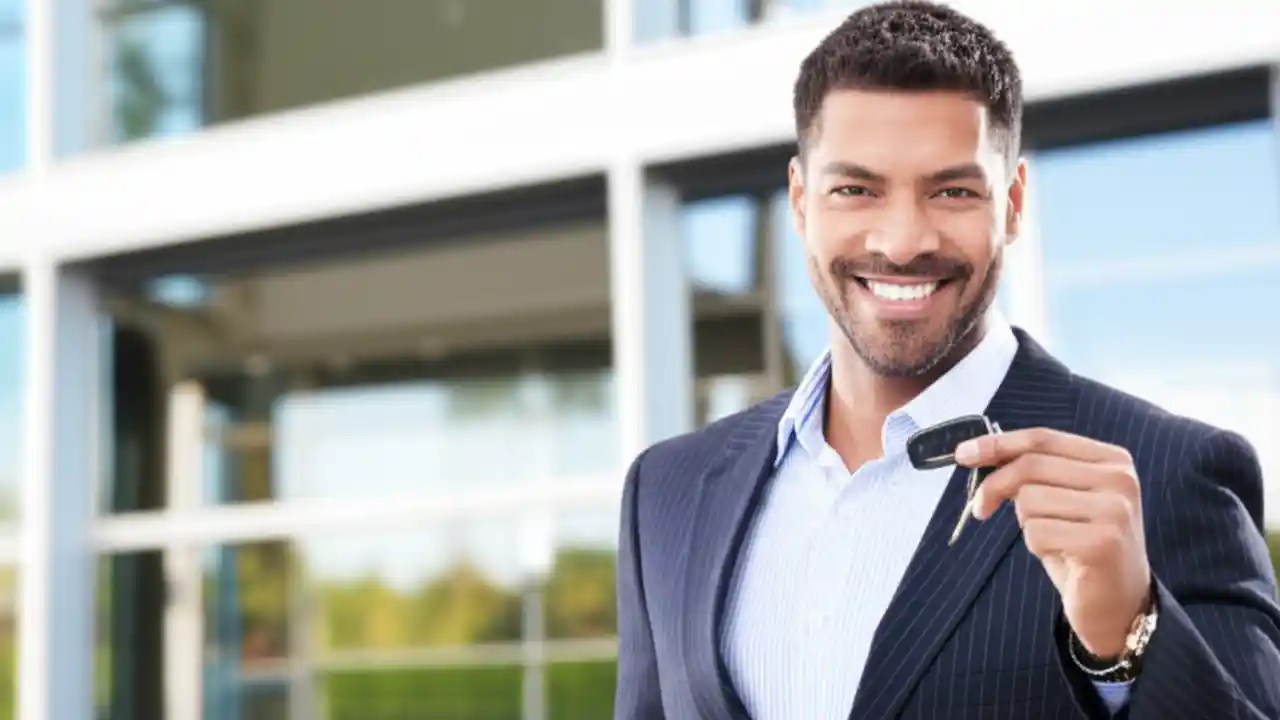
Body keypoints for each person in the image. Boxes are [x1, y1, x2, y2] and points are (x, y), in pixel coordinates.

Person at [612, 2, 1280, 718]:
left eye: (953, 191)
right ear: (802, 200)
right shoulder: (667, 492)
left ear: (1014, 202)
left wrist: (1130, 635)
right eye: (855, 189)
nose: (901, 241)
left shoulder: (1165, 474)